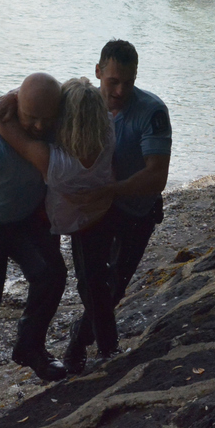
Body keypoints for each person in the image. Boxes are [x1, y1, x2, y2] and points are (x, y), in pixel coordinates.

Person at [0, 73, 69, 424]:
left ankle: (29, 347)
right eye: (29, 117)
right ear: (17, 109)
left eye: (44, 119)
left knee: (52, 274)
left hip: (23, 219)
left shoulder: (53, 117)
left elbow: (76, 94)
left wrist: (15, 94)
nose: (37, 126)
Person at [0, 77, 120, 364]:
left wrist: (11, 99)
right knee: (94, 282)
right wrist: (20, 95)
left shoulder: (60, 165)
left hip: (58, 217)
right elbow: (72, 94)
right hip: (96, 213)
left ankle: (57, 345)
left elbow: (5, 126)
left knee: (64, 278)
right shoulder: (108, 130)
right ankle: (107, 347)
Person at [64, 39, 171, 372]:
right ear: (98, 73)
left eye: (128, 82)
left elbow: (156, 177)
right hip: (91, 207)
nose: (120, 90)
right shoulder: (81, 103)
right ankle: (107, 351)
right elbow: (39, 103)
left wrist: (112, 190)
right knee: (90, 281)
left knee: (115, 285)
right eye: (113, 82)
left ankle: (80, 337)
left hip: (135, 207)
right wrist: (9, 101)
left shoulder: (152, 112)